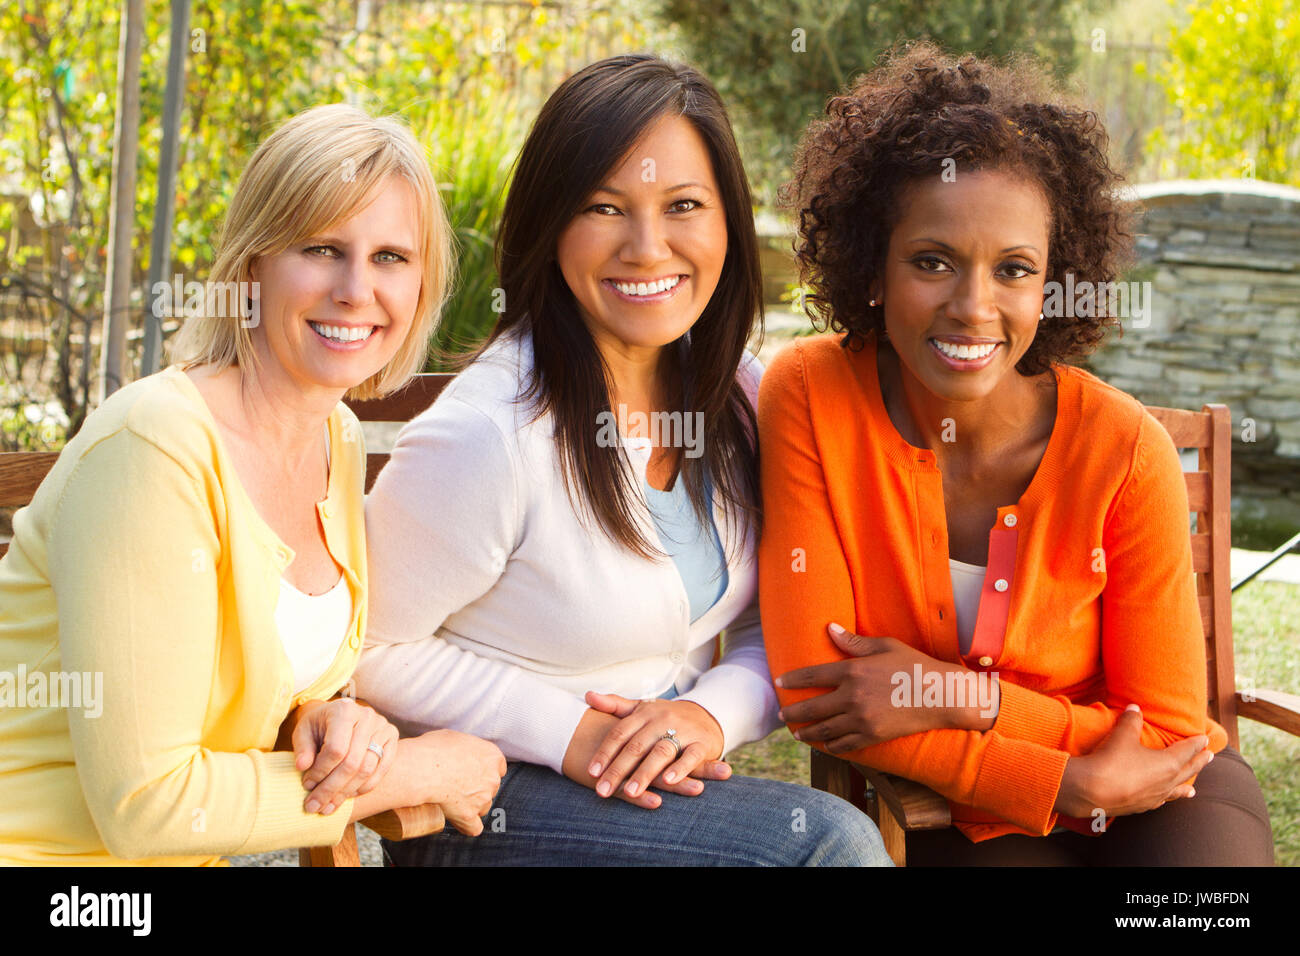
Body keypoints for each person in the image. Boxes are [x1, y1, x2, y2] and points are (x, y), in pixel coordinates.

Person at [354, 54, 889, 866]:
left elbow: (771, 620)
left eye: (684, 206)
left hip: (650, 799)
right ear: (552, 226)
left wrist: (712, 714)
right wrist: (567, 731)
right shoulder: (491, 433)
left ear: (727, 223)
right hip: (484, 802)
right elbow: (363, 650)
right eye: (605, 208)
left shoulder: (741, 398)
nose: (647, 247)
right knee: (827, 847)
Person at [758, 42, 1274, 865]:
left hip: (1162, 789)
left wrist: (956, 695)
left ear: (1052, 285)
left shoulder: (1125, 449)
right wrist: (1058, 783)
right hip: (962, 803)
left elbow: (1168, 730)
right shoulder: (810, 394)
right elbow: (820, 690)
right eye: (932, 262)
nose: (974, 306)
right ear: (873, 269)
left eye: (1014, 269)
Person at [0, 104, 505, 866]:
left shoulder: (335, 436)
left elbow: (262, 674)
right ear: (252, 267)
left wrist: (330, 719)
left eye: (391, 257)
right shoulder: (154, 448)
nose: (356, 289)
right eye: (323, 248)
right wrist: (412, 769)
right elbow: (148, 809)